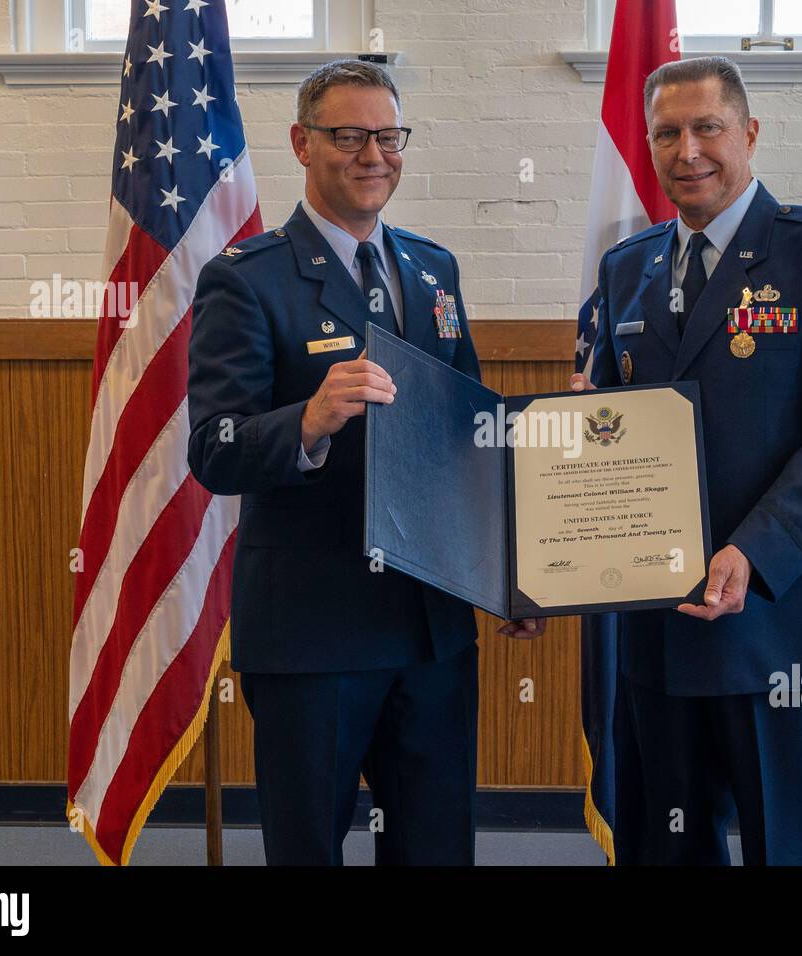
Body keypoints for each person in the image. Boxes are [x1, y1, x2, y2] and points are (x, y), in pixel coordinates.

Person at [187, 59, 520, 865]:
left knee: (437, 851)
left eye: (389, 135)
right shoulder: (246, 279)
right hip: (313, 634)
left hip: (431, 629)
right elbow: (213, 450)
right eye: (348, 136)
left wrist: (512, 569)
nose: (374, 154)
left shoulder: (433, 269)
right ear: (302, 144)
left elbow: (469, 435)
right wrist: (304, 422)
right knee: (308, 853)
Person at [573, 55, 802, 865]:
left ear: (749, 133)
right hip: (657, 624)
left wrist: (750, 550)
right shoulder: (626, 268)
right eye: (667, 134)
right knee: (663, 846)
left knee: (787, 847)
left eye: (707, 128)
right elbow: (607, 435)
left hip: (781, 622)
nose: (688, 151)